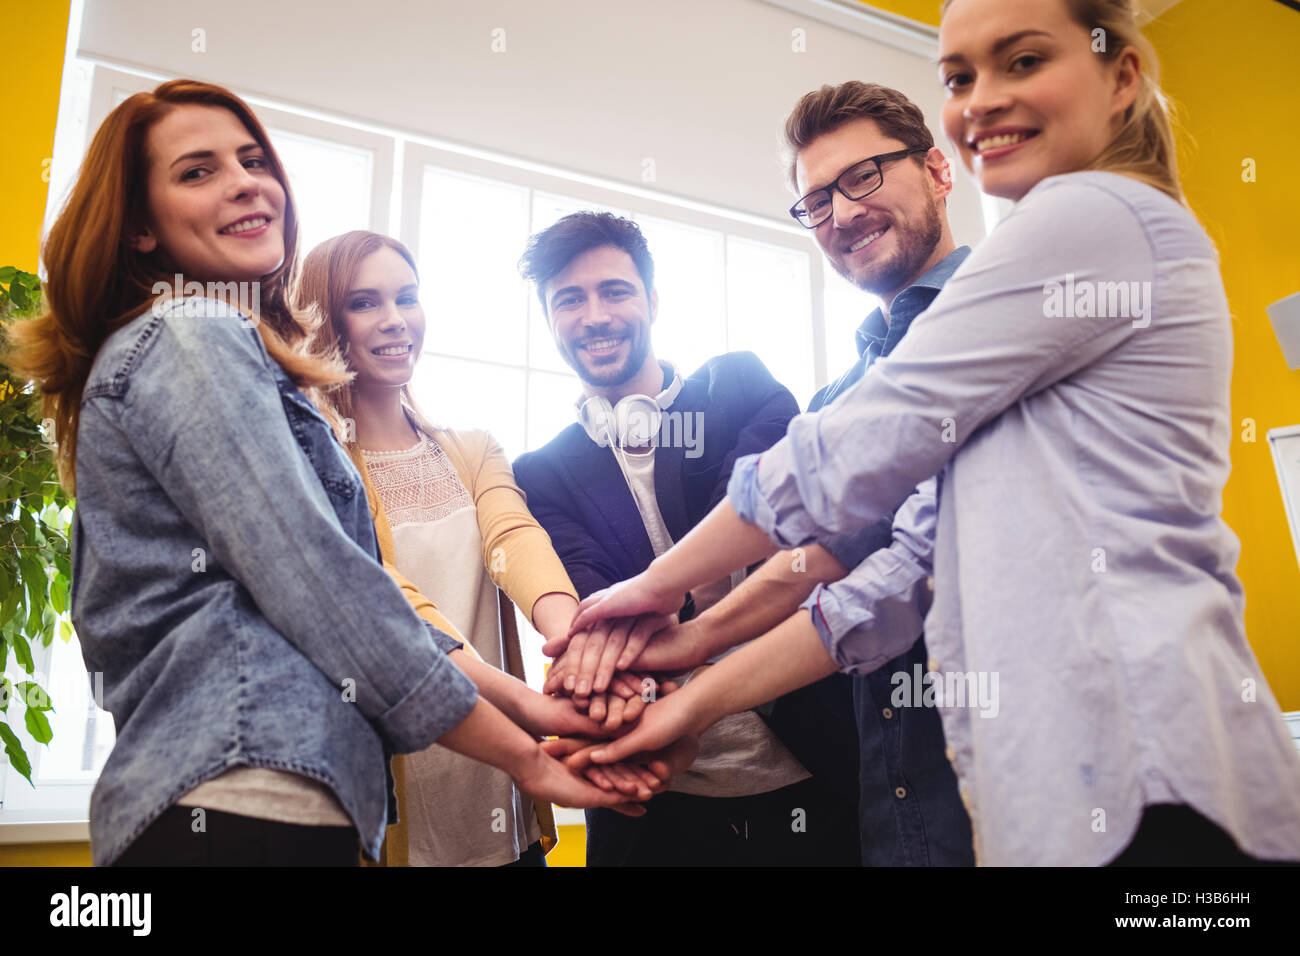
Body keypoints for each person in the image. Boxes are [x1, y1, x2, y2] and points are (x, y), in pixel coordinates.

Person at [568, 0, 1300, 866]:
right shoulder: (887, 362)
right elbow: (895, 573)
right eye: (959, 77)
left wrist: (653, 591)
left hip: (1147, 770)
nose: (980, 100)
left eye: (1022, 60)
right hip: (972, 795)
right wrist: (691, 665)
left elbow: (841, 462)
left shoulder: (1083, 228)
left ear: (1121, 72)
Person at [5, 79, 659, 867]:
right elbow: (326, 582)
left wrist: (540, 702)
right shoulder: (193, 334)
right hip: (242, 798)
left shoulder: (209, 353)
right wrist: (527, 749)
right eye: (197, 171)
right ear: (139, 226)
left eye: (253, 160)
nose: (246, 181)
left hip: (279, 796)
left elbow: (370, 579)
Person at [554, 81, 978, 867]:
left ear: (939, 170)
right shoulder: (841, 393)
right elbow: (836, 567)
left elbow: (829, 532)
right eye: (816, 200)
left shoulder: (993, 322)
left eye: (865, 176)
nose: (842, 214)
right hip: (897, 796)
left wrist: (664, 602)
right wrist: (684, 647)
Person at [295, 230, 677, 866]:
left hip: (498, 795)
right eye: (365, 303)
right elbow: (389, 601)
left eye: (407, 298)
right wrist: (529, 703)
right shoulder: (317, 461)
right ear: (325, 319)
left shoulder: (471, 449)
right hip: (384, 800)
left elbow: (515, 540)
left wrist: (574, 642)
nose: (395, 321)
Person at [512, 211, 859, 866]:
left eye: (614, 291)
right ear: (550, 319)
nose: (594, 316)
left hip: (814, 777)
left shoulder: (739, 388)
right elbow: (594, 610)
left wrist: (662, 602)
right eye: (569, 300)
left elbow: (757, 525)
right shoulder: (541, 473)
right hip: (654, 800)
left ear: (652, 300)